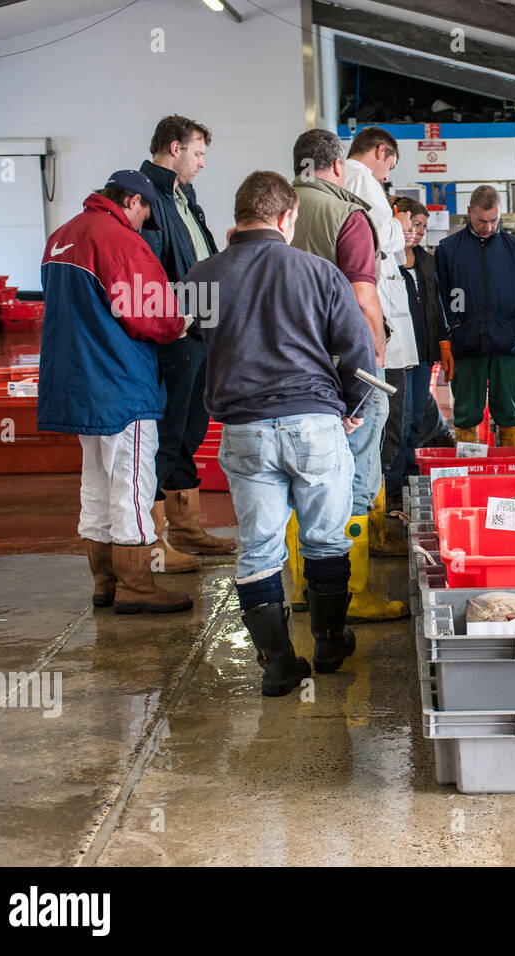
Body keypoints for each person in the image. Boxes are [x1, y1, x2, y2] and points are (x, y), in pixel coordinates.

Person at [186, 171, 376, 696]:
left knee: (259, 549)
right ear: (287, 217)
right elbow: (359, 352)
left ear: (237, 217)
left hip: (243, 429)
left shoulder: (203, 275)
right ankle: (330, 644)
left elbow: (196, 341)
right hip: (314, 423)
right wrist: (352, 408)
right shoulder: (318, 271)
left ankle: (277, 667)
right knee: (324, 540)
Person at [38, 170, 192, 614]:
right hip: (121, 386)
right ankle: (137, 586)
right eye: (145, 214)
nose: (144, 225)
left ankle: (104, 582)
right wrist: (181, 323)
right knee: (132, 486)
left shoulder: (61, 237)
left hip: (78, 385)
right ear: (130, 200)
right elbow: (151, 315)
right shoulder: (119, 240)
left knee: (97, 485)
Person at [287, 128, 405, 621]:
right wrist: (374, 355)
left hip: (290, 367)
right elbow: (362, 297)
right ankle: (353, 592)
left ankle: (299, 587)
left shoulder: (276, 209)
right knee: (356, 474)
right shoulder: (347, 212)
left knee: (299, 476)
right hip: (345, 362)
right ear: (338, 166)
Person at [139, 114, 236, 571]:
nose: (201, 163)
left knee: (192, 429)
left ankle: (185, 529)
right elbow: (149, 267)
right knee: (168, 433)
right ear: (174, 148)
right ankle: (153, 542)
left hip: (201, 325)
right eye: (197, 153)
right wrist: (172, 320)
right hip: (175, 331)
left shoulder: (184, 196)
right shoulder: (148, 195)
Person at [342, 128, 417, 548]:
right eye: (390, 164)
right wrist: (396, 224)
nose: (388, 174)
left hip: (374, 329)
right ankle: (365, 536)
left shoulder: (353, 183)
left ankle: (368, 528)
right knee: (370, 430)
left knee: (375, 428)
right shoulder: (362, 180)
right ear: (381, 152)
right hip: (370, 333)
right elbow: (386, 240)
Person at [434, 185, 515, 446]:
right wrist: (454, 326)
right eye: (482, 220)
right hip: (466, 344)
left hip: (508, 346)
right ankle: (471, 469)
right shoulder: (448, 250)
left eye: (494, 220)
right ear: (469, 212)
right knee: (467, 413)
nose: (488, 227)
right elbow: (440, 294)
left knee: (509, 411)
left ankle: (511, 465)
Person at [385, 196, 450, 513]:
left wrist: (443, 342)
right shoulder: (384, 261)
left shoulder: (427, 261)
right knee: (397, 421)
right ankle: (391, 486)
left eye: (423, 226)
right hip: (395, 356)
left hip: (423, 354)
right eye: (413, 224)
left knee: (414, 421)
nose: (417, 231)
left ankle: (409, 480)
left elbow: (436, 307)